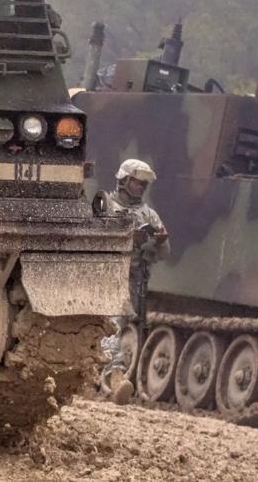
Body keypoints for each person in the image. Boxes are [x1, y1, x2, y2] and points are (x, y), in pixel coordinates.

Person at [100, 158, 170, 404]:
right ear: (124, 180)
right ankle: (116, 375)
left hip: (133, 280)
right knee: (111, 325)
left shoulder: (149, 214)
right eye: (136, 182)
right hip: (106, 276)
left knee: (115, 326)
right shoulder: (105, 205)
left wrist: (157, 241)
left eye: (143, 184)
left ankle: (114, 374)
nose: (140, 187)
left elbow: (164, 254)